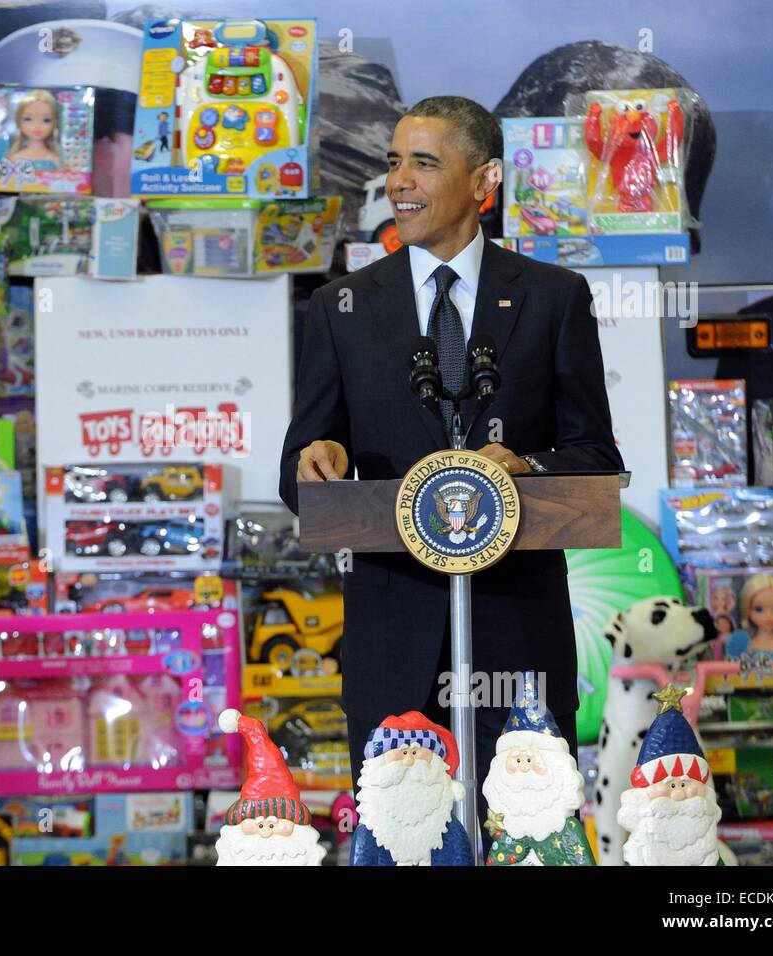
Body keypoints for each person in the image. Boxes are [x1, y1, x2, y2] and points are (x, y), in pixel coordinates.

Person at [279, 96, 623, 837]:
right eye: (394, 162)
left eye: (424, 162)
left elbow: (597, 456)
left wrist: (524, 463)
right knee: (404, 848)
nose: (399, 181)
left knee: (528, 842)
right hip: (391, 645)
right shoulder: (339, 306)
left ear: (484, 180)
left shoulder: (555, 298)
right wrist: (320, 458)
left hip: (519, 641)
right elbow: (297, 466)